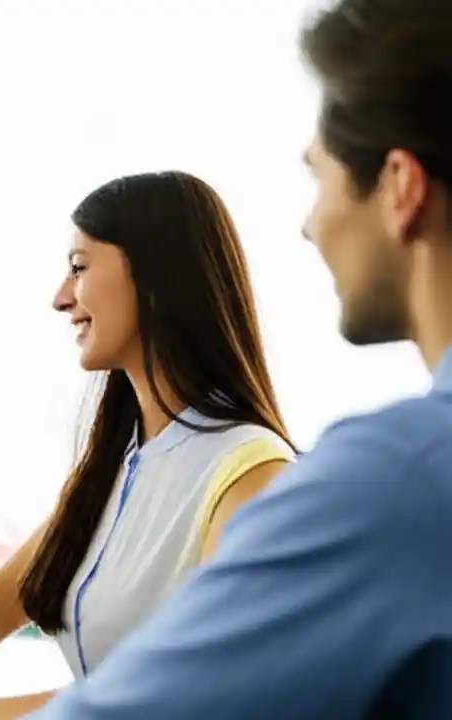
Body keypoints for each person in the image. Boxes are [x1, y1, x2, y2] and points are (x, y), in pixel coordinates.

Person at [23, 1, 452, 717]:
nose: (311, 226)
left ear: (402, 188)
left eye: (320, 179)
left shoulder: (393, 484)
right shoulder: (123, 465)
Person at [0, 171, 297, 720]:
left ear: (156, 276)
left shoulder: (251, 473)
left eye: (79, 268)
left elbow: (199, 693)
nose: (61, 298)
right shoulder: (117, 466)